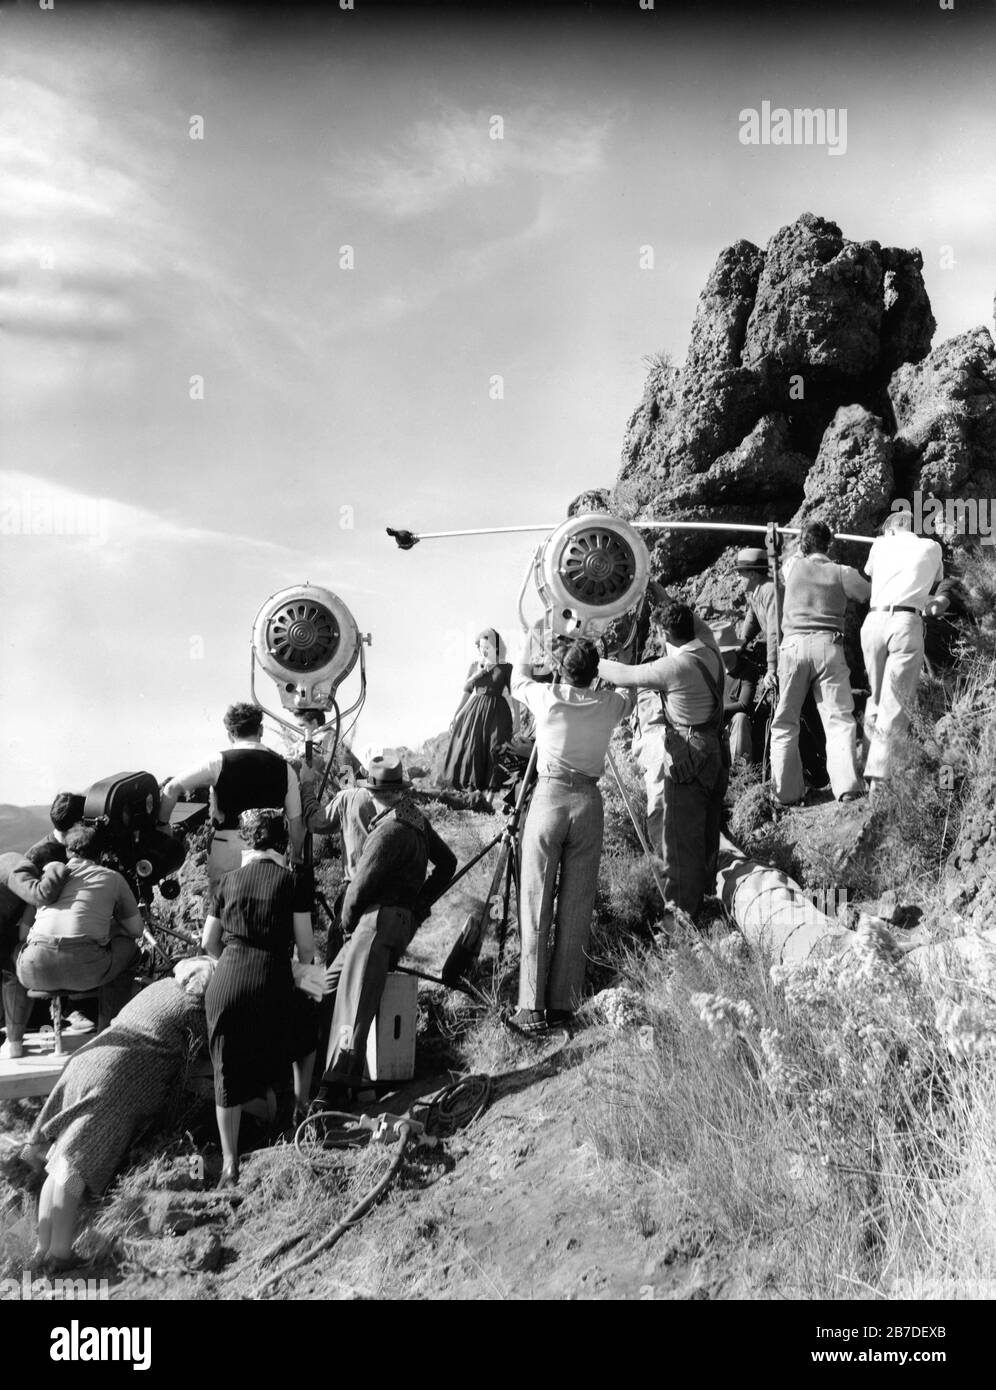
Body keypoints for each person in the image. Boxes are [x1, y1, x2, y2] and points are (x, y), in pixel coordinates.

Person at [20, 957, 215, 1271]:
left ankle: (42, 1249)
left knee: (59, 1162)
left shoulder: (159, 988)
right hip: (113, 1083)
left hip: (87, 1062)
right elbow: (209, 1052)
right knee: (75, 1171)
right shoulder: (193, 1007)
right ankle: (59, 1254)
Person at [509, 631, 634, 1032]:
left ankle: (531, 1006)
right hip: (589, 801)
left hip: (550, 795)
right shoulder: (609, 704)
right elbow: (630, 687)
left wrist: (529, 639)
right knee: (577, 905)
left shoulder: (547, 698)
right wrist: (608, 665)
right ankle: (564, 1003)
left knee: (536, 900)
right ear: (594, 674)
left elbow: (518, 679)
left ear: (562, 672)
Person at [315, 753, 456, 1104]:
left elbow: (358, 889)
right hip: (399, 922)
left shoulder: (387, 830)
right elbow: (447, 864)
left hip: (374, 923)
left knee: (354, 1003)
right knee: (328, 990)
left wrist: (345, 925)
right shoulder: (416, 819)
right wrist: (420, 904)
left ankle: (334, 1091)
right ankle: (331, 1074)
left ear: (375, 794)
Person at [202, 809, 320, 1185]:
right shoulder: (292, 882)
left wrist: (233, 964)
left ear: (247, 843)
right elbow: (305, 950)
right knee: (304, 1033)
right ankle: (301, 1114)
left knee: (226, 1071)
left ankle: (230, 1165)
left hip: (226, 982)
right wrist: (297, 972)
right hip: (272, 975)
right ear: (282, 842)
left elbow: (208, 942)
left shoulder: (226, 881)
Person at [599, 603, 727, 924]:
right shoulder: (711, 651)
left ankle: (679, 923)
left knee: (679, 843)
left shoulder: (672, 667)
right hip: (715, 751)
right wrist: (660, 597)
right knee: (708, 832)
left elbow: (621, 674)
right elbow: (698, 625)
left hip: (689, 755)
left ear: (666, 633)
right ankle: (710, 900)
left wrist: (588, 656)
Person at [769, 521, 869, 806]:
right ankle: (847, 786)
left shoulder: (792, 566)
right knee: (838, 718)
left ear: (804, 545)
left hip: (792, 647)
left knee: (786, 722)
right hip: (828, 646)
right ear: (830, 545)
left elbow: (785, 559)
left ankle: (786, 793)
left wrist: (782, 537)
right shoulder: (842, 573)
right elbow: (865, 592)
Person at [158, 702, 304, 890]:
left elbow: (171, 788)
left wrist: (162, 826)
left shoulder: (218, 762)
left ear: (230, 734)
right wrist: (296, 856)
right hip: (269, 853)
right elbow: (295, 820)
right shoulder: (285, 769)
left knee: (222, 912)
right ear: (260, 730)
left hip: (227, 847)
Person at [14, 823, 144, 1033]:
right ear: (101, 853)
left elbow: (23, 933)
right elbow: (137, 930)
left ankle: (16, 1035)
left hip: (33, 970)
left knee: (18, 952)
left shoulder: (47, 881)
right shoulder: (112, 879)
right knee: (129, 950)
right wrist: (114, 927)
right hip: (85, 970)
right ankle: (110, 1031)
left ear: (67, 851)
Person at [860, 510, 945, 787]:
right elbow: (934, 580)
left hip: (873, 621)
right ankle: (880, 780)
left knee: (876, 695)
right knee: (894, 703)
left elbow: (874, 576)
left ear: (891, 529)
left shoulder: (880, 545)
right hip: (905, 622)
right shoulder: (931, 547)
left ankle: (864, 764)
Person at [2, 793, 90, 1056]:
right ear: (78, 824)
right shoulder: (45, 855)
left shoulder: (53, 848)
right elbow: (34, 903)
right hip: (18, 931)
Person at [442, 629, 517, 790]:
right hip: (475, 710)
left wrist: (516, 718)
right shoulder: (475, 666)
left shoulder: (506, 668)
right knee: (472, 747)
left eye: (487, 647)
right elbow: (467, 691)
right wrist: (456, 715)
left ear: (496, 647)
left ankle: (493, 789)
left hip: (498, 710)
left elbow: (513, 695)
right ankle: (473, 789)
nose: (484, 650)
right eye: (481, 647)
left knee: (495, 745)